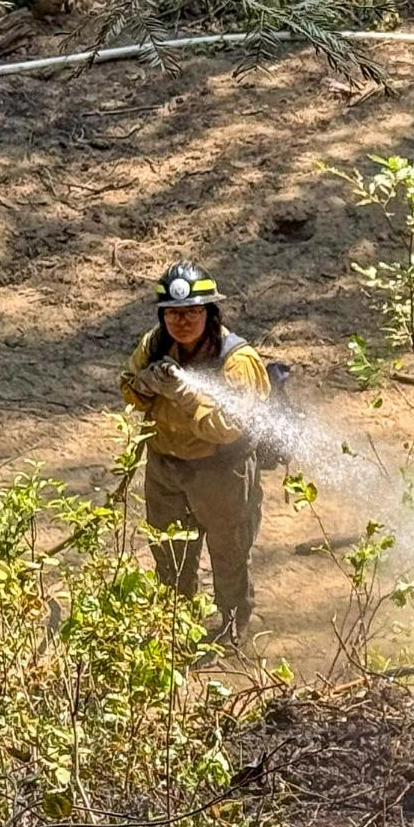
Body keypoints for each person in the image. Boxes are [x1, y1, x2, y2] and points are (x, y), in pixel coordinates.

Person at [120, 262, 269, 645]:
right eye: (172, 313)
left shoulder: (237, 361)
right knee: (169, 553)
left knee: (229, 553)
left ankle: (233, 630)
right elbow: (129, 387)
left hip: (221, 473)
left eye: (191, 312)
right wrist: (145, 385)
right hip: (165, 468)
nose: (181, 321)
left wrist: (187, 397)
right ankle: (176, 630)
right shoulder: (155, 343)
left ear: (209, 312)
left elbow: (229, 427)